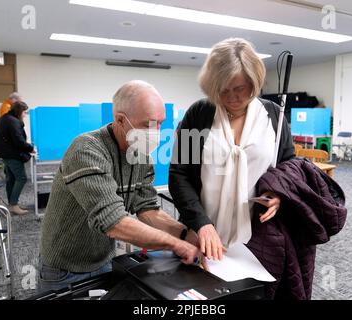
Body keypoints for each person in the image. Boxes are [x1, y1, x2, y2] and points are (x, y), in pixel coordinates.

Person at [38, 80, 204, 292]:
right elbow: (113, 222)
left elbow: (148, 209)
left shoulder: (141, 155)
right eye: (148, 124)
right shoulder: (87, 150)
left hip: (104, 259)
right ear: (120, 120)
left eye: (160, 123)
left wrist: (184, 234)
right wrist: (176, 244)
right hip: (64, 268)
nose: (157, 132)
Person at [169, 38, 295, 261]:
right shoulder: (198, 114)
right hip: (201, 232)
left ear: (254, 82)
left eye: (239, 89)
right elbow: (179, 174)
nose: (231, 98)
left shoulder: (274, 116)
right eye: (223, 90)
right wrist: (200, 223)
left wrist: (278, 195)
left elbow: (288, 165)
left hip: (258, 233)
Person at [0, 101, 34, 215]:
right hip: (11, 154)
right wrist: (31, 148)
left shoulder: (5, 118)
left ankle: (12, 204)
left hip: (5, 153)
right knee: (21, 178)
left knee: (11, 178)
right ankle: (14, 204)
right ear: (19, 111)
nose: (25, 115)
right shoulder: (13, 121)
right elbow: (18, 140)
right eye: (24, 112)